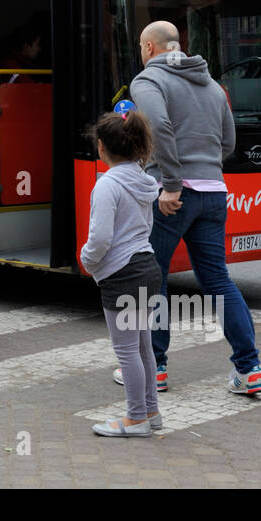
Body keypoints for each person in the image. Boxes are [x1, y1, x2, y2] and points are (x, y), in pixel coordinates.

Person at [127, 20, 261, 395]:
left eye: (142, 47)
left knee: (150, 278)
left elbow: (157, 125)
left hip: (172, 195)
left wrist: (172, 182)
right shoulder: (212, 86)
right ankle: (249, 369)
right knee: (218, 280)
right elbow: (228, 142)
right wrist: (204, 167)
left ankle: (153, 368)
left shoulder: (148, 81)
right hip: (213, 192)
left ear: (151, 48)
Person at [81, 110, 164, 437]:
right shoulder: (145, 182)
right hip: (147, 268)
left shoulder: (107, 186)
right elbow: (145, 227)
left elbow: (101, 238)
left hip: (122, 274)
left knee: (127, 351)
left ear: (102, 148)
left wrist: (87, 259)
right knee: (143, 346)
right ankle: (150, 411)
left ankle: (135, 418)